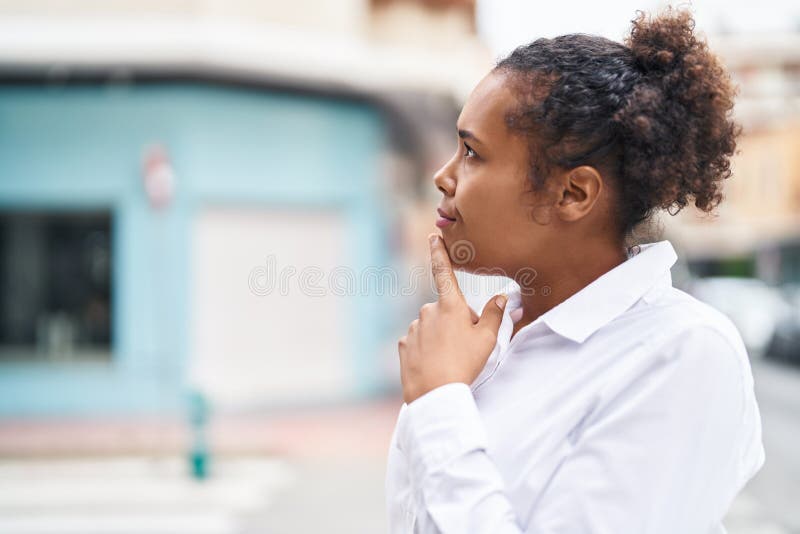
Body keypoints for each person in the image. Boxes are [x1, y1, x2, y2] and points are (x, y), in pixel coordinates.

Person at [386, 7, 765, 534]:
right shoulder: (482, 343)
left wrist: (439, 401)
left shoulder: (683, 354)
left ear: (572, 193)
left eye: (472, 152)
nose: (443, 175)